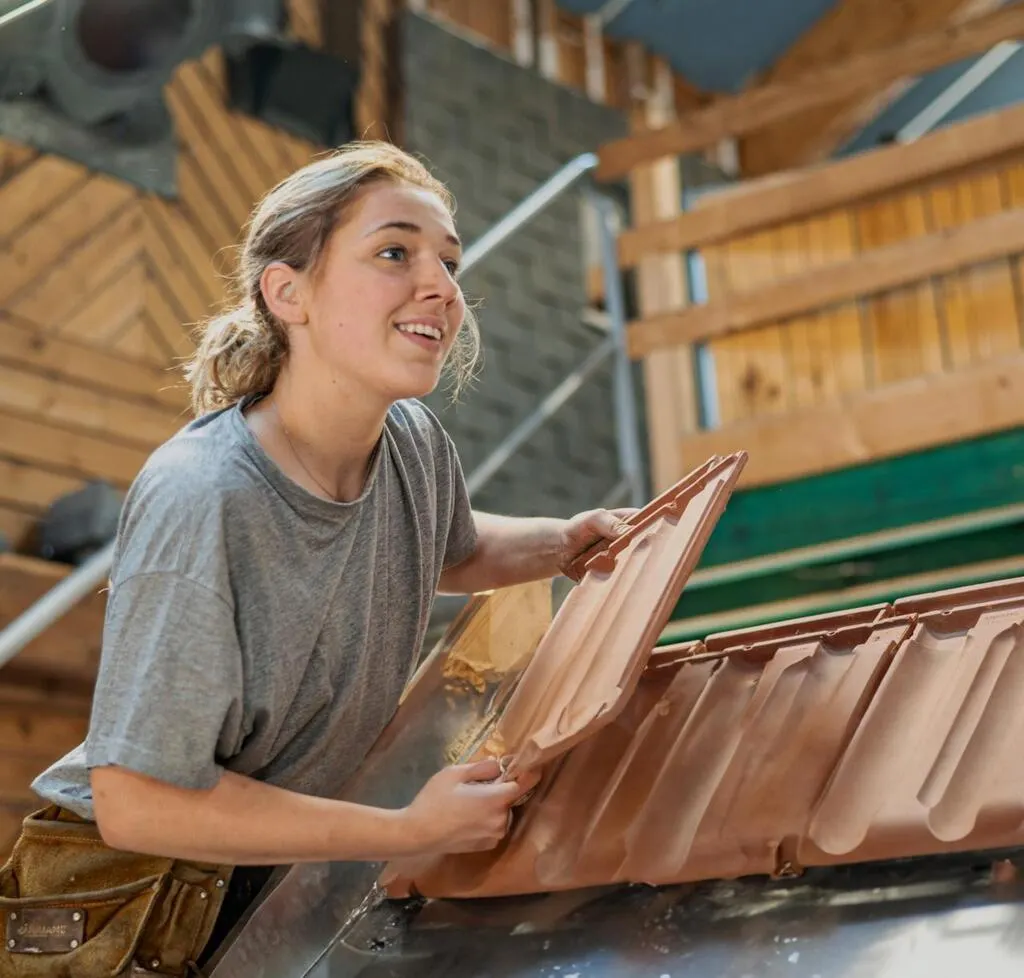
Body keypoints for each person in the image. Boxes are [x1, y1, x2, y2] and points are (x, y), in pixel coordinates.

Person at [2, 141, 631, 976]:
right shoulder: (203, 498)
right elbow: (136, 802)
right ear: (287, 293)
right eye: (394, 252)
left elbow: (455, 546)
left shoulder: (411, 443)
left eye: (449, 261)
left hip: (265, 879)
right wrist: (407, 829)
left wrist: (564, 541)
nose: (442, 288)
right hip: (123, 910)